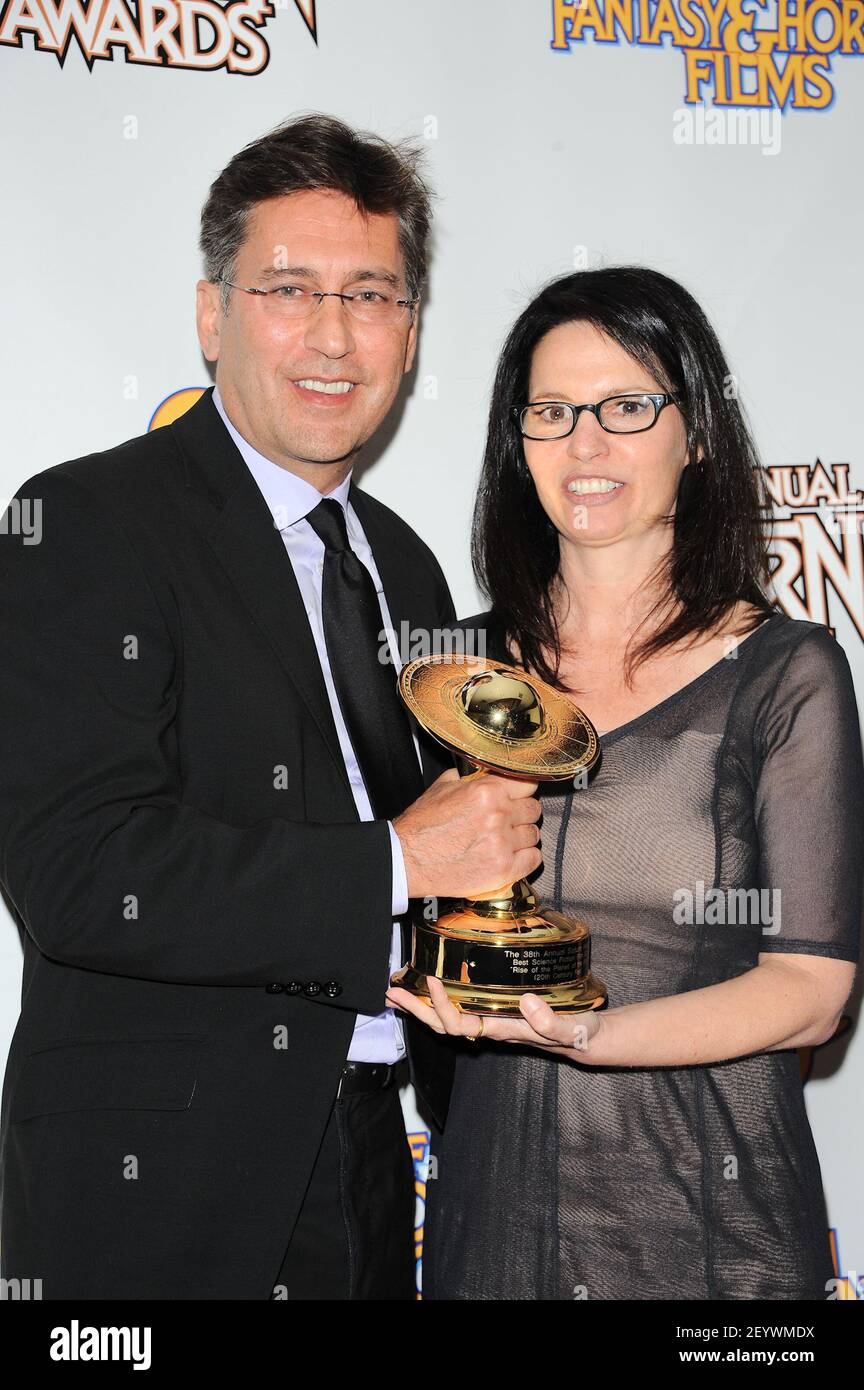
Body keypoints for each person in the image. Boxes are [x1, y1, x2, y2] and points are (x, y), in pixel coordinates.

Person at [0, 114, 542, 1300]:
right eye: (289, 289)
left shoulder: (405, 566)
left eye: (374, 295)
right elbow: (75, 870)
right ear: (212, 315)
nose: (335, 337)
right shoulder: (85, 525)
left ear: (410, 330)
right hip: (164, 1193)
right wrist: (392, 865)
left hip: (374, 1160)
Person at [388, 265, 864, 1301]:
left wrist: (597, 1033)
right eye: (552, 411)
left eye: (628, 406)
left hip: (713, 1228)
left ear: (697, 434)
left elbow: (812, 993)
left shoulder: (786, 672)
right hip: (494, 1216)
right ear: (517, 442)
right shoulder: (453, 677)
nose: (586, 444)